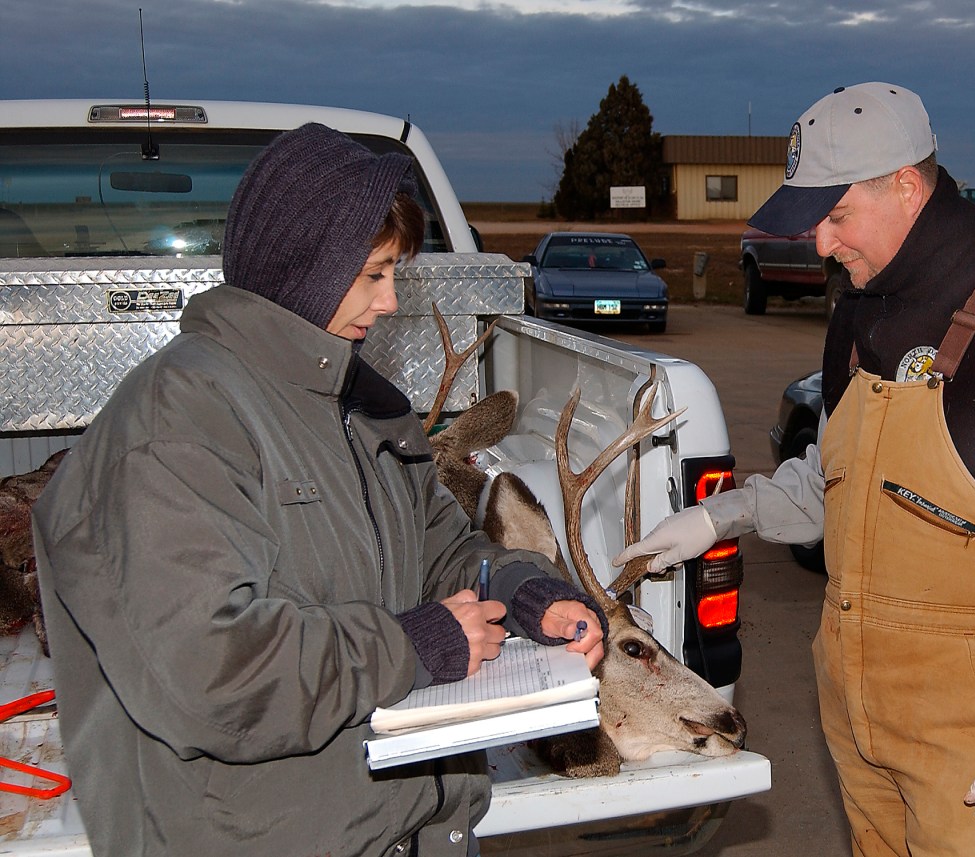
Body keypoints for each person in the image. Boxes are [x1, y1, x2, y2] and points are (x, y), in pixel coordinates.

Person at [32, 123, 605, 857]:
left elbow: (442, 552)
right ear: (302, 266)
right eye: (373, 273)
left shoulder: (362, 404)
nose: (391, 300)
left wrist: (529, 598)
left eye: (395, 271)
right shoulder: (178, 419)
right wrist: (409, 645)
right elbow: (210, 669)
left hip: (407, 828)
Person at [614, 82, 975, 856]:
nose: (822, 244)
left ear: (906, 185)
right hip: (856, 716)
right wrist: (717, 517)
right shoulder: (866, 315)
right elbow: (838, 483)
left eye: (836, 216)